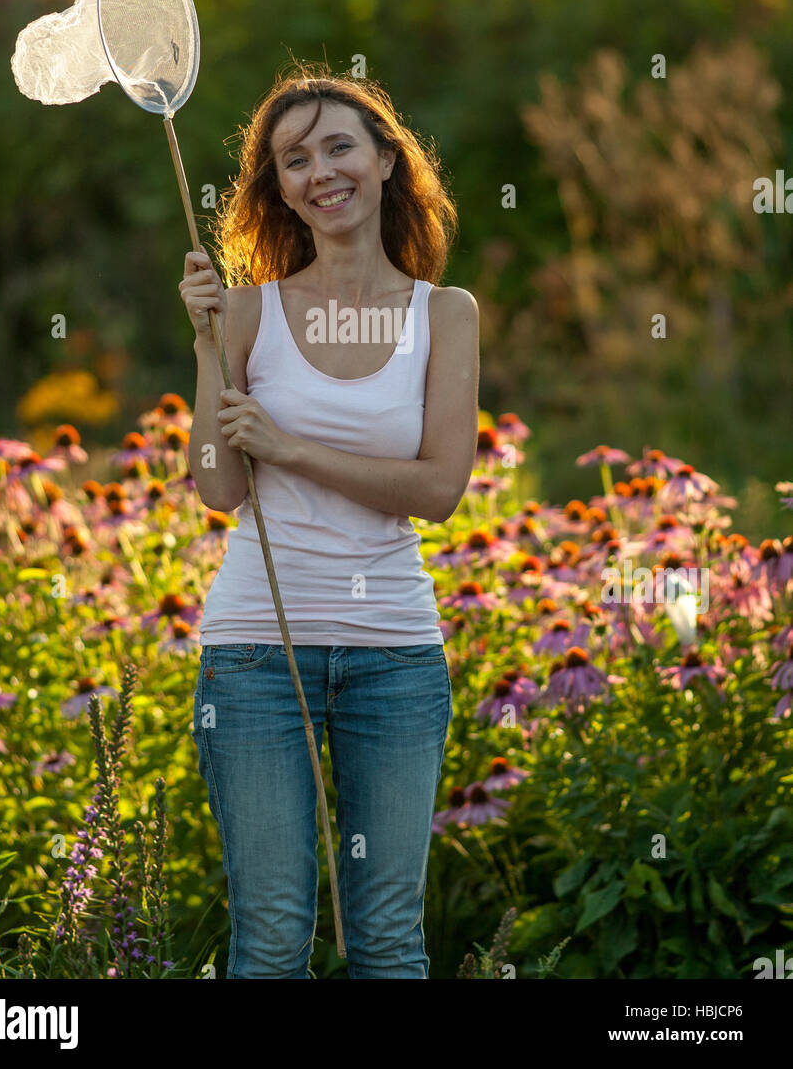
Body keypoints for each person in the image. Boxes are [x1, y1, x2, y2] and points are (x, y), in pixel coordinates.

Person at [179, 67, 479, 978]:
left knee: (387, 941)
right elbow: (216, 486)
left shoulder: (446, 316)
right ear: (280, 190)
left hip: (393, 655)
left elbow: (438, 489)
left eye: (339, 146)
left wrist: (295, 448)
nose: (321, 170)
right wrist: (204, 346)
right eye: (294, 159)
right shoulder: (246, 311)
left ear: (388, 160)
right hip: (256, 653)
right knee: (269, 941)